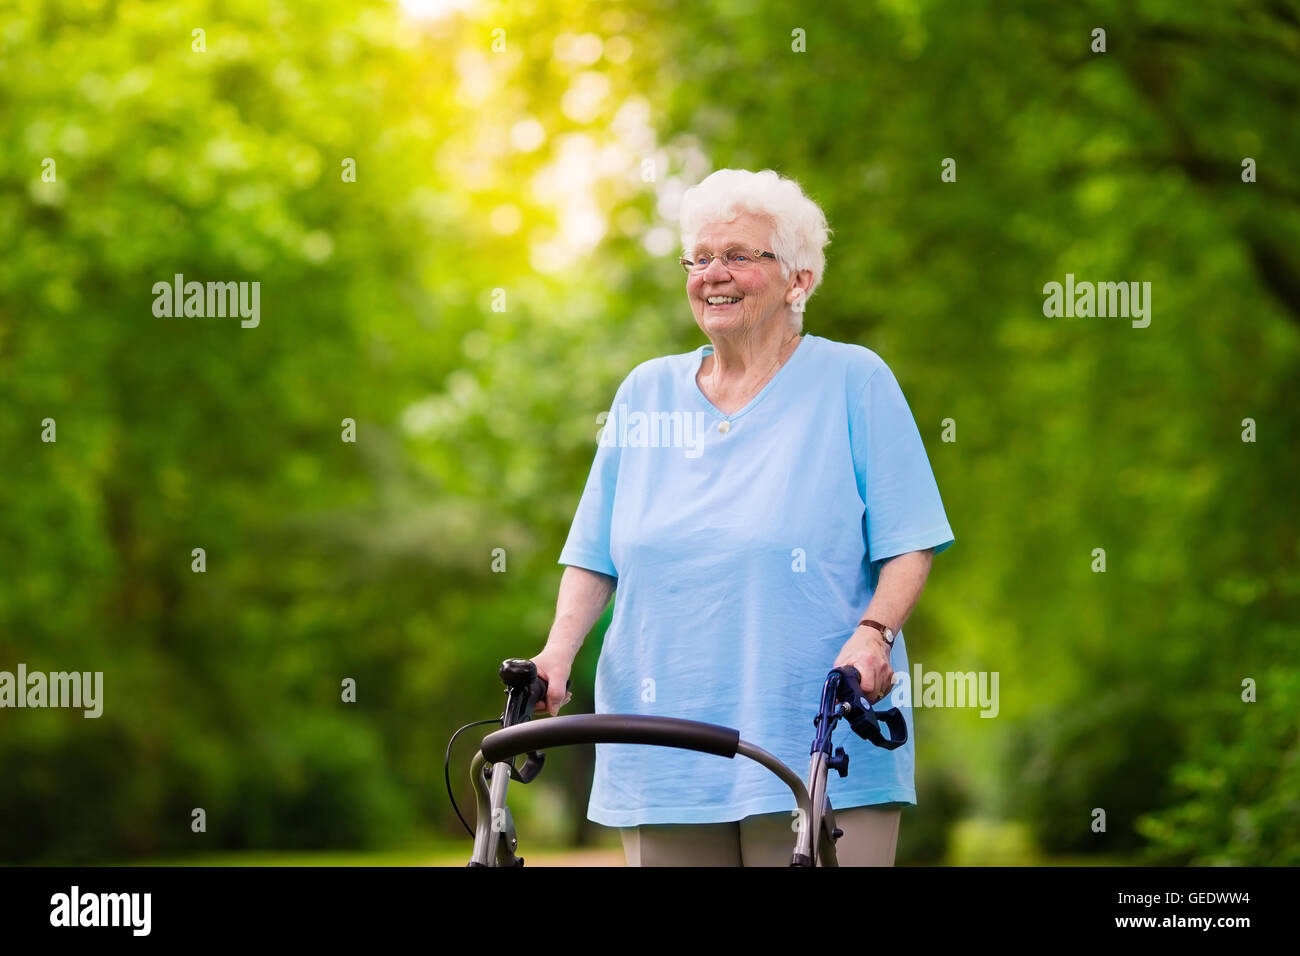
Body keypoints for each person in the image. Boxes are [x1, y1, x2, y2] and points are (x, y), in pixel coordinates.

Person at [529, 168, 954, 866]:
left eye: (737, 256)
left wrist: (875, 633)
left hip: (820, 736)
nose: (712, 274)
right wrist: (556, 653)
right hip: (662, 745)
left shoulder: (854, 380)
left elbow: (910, 540)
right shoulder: (645, 393)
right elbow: (594, 555)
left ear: (798, 280)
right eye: (699, 258)